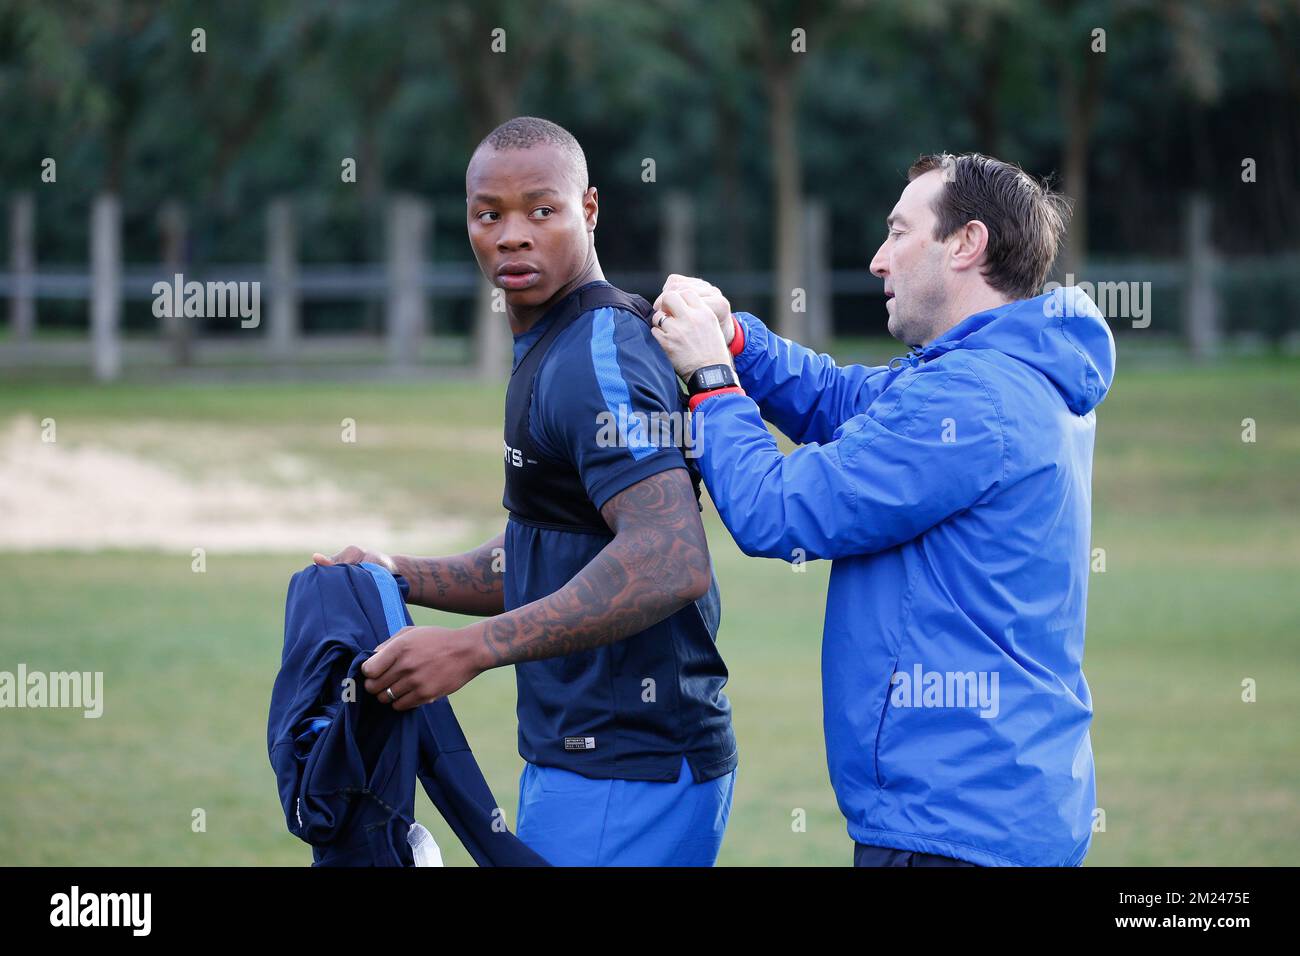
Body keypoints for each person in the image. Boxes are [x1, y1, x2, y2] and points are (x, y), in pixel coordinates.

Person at [649, 152, 1115, 867]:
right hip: (990, 809)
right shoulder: (991, 373)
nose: (876, 259)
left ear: (967, 244)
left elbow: (777, 511)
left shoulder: (973, 399)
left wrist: (712, 378)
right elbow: (845, 401)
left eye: (899, 233)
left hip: (954, 828)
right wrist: (737, 338)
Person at [313, 117, 737, 866]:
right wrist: (398, 573)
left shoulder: (597, 357)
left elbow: (670, 557)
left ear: (591, 210)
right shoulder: (555, 345)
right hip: (583, 758)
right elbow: (549, 554)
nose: (513, 234)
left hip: (628, 766)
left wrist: (471, 649)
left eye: (542, 211)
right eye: (490, 214)